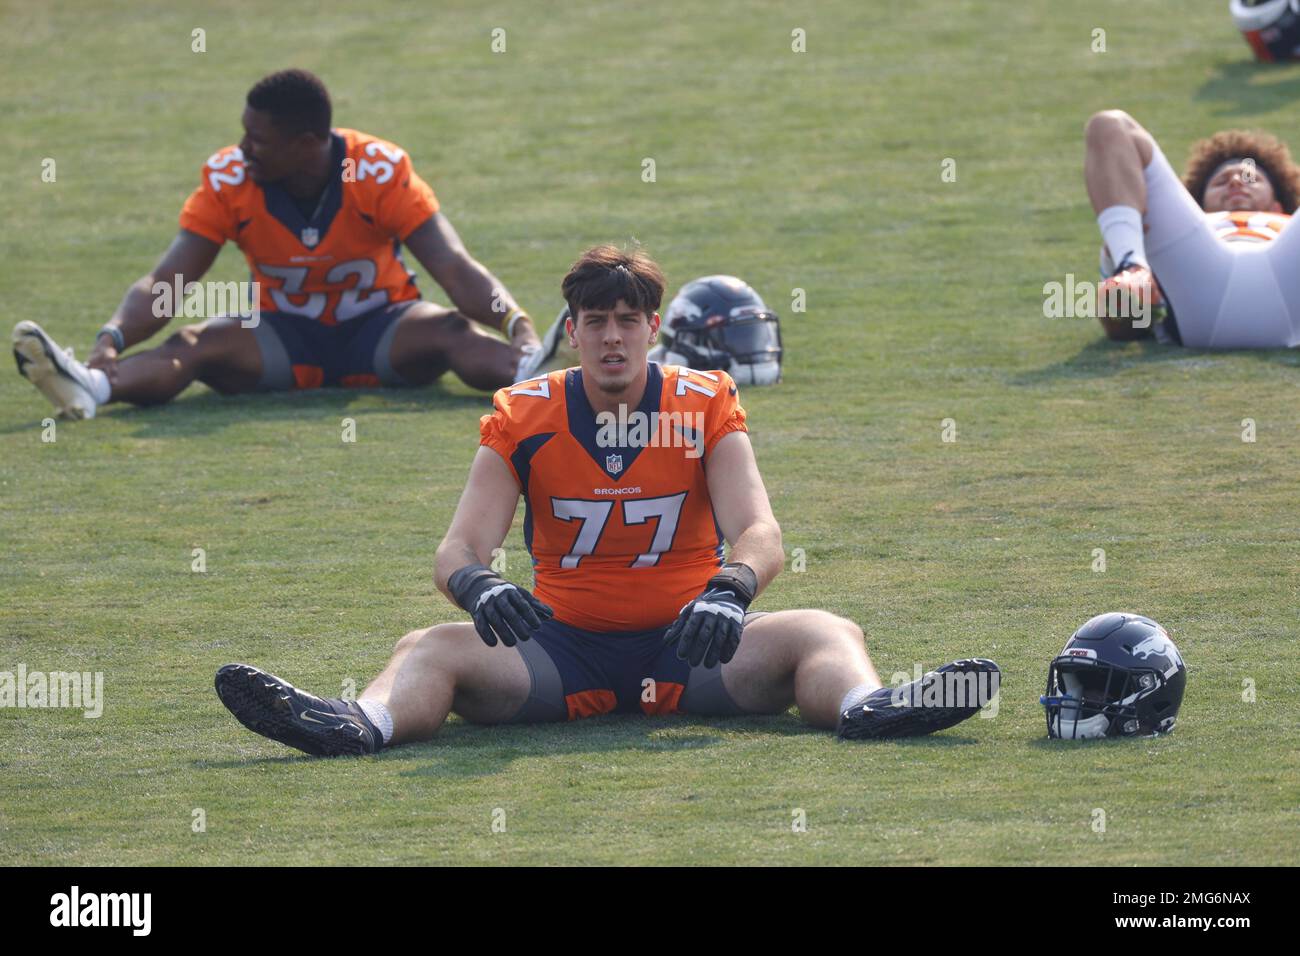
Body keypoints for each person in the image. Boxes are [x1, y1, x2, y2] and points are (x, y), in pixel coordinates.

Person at [213, 244, 999, 756]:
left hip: (694, 646)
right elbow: (456, 549)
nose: (613, 338)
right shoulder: (524, 414)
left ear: (654, 327)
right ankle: (357, 724)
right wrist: (479, 587)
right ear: (576, 330)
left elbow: (760, 530)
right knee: (431, 645)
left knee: (826, 628)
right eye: (597, 322)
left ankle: (868, 707)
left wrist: (730, 590)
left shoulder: (704, 402)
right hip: (559, 653)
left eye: (628, 321)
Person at [13, 68, 540, 420]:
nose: (243, 149)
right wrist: (112, 336)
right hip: (280, 334)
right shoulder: (231, 180)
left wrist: (515, 323)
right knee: (192, 344)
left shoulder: (375, 169)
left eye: (258, 140)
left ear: (306, 144)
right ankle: (91, 387)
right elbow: (170, 281)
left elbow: (453, 266)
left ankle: (535, 374)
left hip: (381, 325)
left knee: (452, 331)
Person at [1084, 110, 1300, 348]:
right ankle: (1131, 267)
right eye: (1221, 181)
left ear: (1278, 206)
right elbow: (1119, 326)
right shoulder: (1189, 229)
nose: (1236, 182)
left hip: (1289, 275)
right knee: (1109, 124)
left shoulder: (1289, 224)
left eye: (1251, 179)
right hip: (1199, 280)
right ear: (1196, 206)